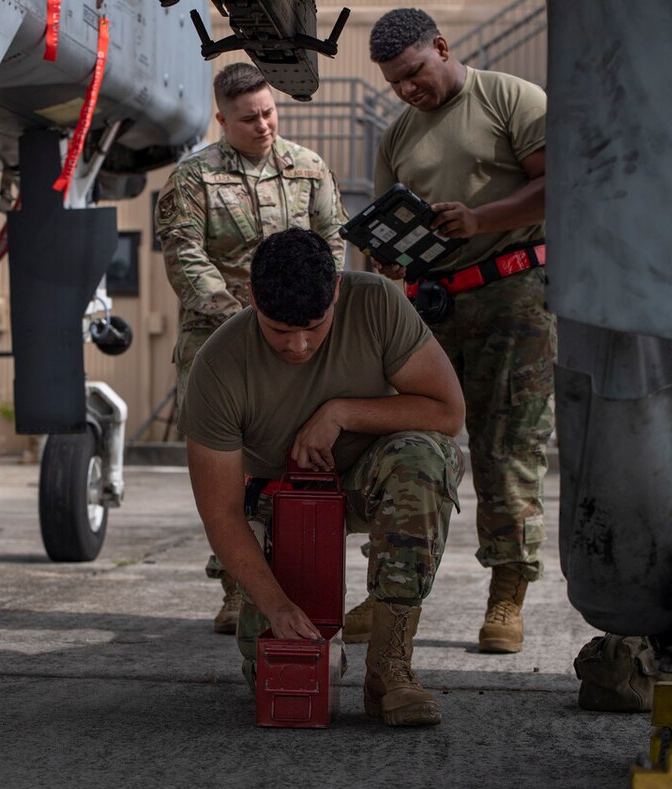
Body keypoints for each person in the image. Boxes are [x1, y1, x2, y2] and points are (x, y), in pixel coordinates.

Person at [181, 228, 465, 726]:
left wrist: (342, 413)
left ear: (335, 291)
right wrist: (275, 606)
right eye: (277, 330)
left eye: (315, 326)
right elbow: (222, 513)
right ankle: (287, 623)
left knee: (423, 457)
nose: (298, 345)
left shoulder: (375, 303)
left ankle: (390, 668)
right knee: (279, 676)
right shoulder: (218, 367)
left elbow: (447, 412)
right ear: (251, 297)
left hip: (370, 477)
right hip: (283, 503)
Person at [355, 8, 553, 655]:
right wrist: (386, 257)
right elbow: (388, 220)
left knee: (506, 447)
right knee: (411, 444)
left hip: (510, 294)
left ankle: (507, 596)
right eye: (396, 84)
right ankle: (391, 592)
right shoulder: (397, 136)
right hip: (430, 307)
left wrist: (481, 219)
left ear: (441, 47)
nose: (408, 90)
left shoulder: (509, 98)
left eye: (414, 73)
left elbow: (561, 185)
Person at [155, 62, 349, 634]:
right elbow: (185, 258)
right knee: (228, 467)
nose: (263, 125)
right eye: (248, 118)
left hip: (298, 336)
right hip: (221, 337)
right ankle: (237, 587)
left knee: (293, 456)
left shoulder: (310, 168)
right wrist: (244, 317)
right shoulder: (192, 177)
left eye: (268, 112)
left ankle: (295, 576)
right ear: (222, 119)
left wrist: (308, 309)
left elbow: (332, 241)